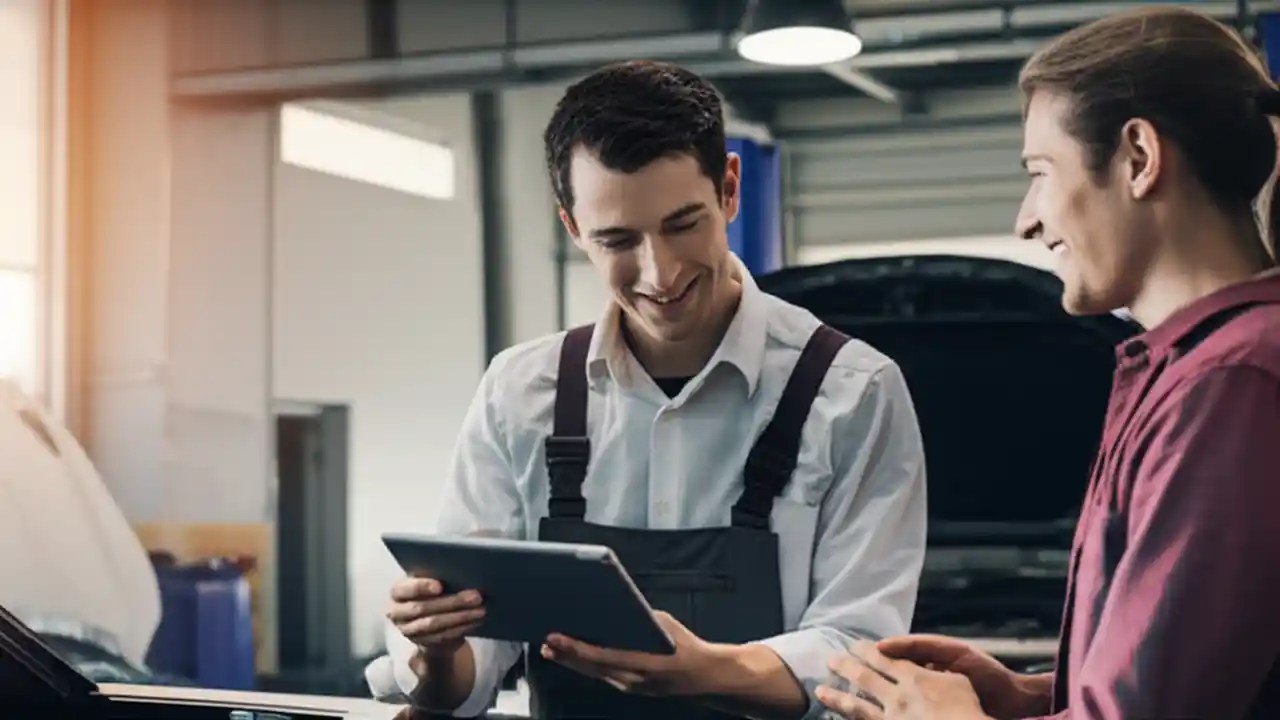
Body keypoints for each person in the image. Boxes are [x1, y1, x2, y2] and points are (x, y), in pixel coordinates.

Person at [370, 61, 928, 720]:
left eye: (682, 223)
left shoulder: (855, 394)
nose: (659, 273)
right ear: (573, 228)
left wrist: (708, 672)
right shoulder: (519, 394)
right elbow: (468, 683)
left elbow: (858, 659)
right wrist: (436, 648)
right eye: (617, 240)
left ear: (728, 190)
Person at [817, 7, 1280, 720]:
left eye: (1041, 172)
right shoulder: (1195, 371)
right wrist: (1029, 694)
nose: (1027, 219)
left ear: (1138, 159)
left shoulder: (1230, 386)